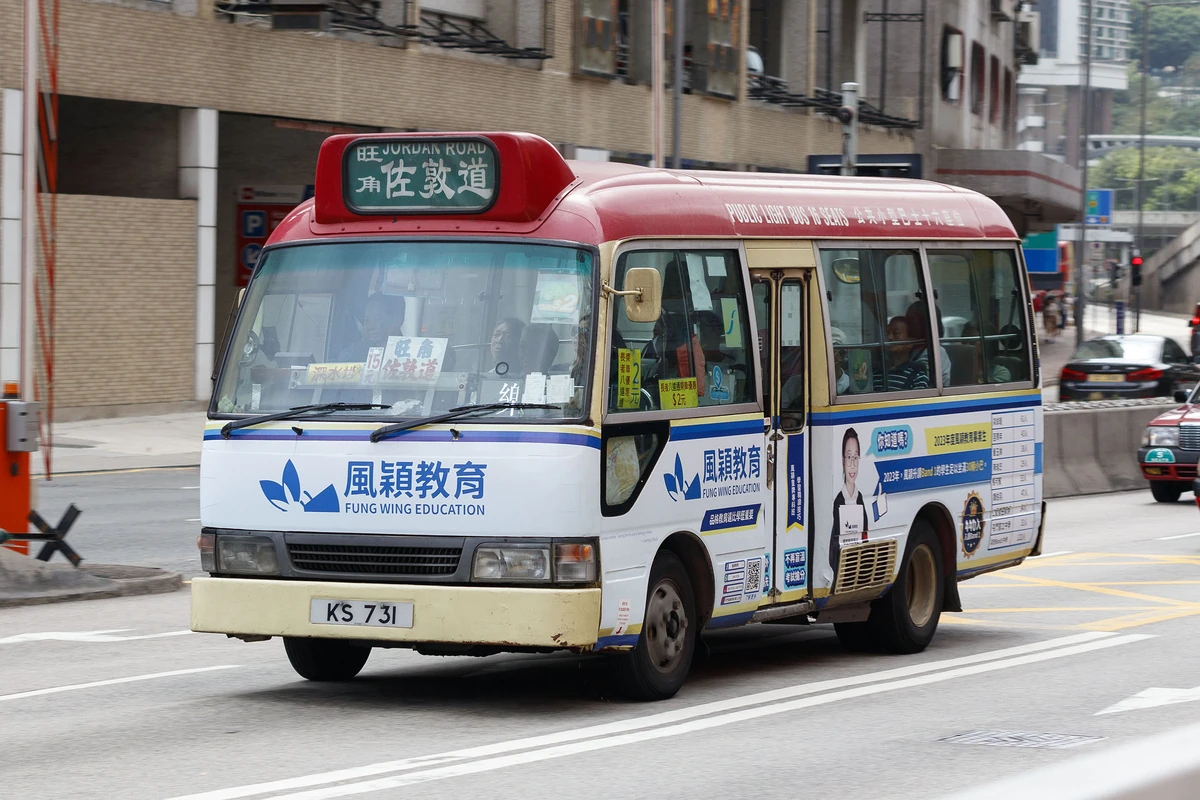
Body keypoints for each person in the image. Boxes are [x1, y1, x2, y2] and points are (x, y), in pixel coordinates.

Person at [830, 427, 869, 575]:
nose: (852, 464)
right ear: (842, 460)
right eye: (848, 457)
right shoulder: (837, 502)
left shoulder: (861, 499)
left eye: (855, 457)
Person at [338, 292, 405, 362]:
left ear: (397, 319)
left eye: (376, 319)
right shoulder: (355, 353)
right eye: (366, 320)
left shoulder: (409, 355)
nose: (369, 327)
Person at [906, 301, 951, 387]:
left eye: (911, 320)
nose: (907, 324)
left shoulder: (936, 351)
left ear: (925, 322)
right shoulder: (912, 349)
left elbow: (922, 381)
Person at [881, 316, 930, 391]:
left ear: (910, 343)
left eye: (896, 333)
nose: (889, 337)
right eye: (887, 333)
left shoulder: (917, 376)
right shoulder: (877, 372)